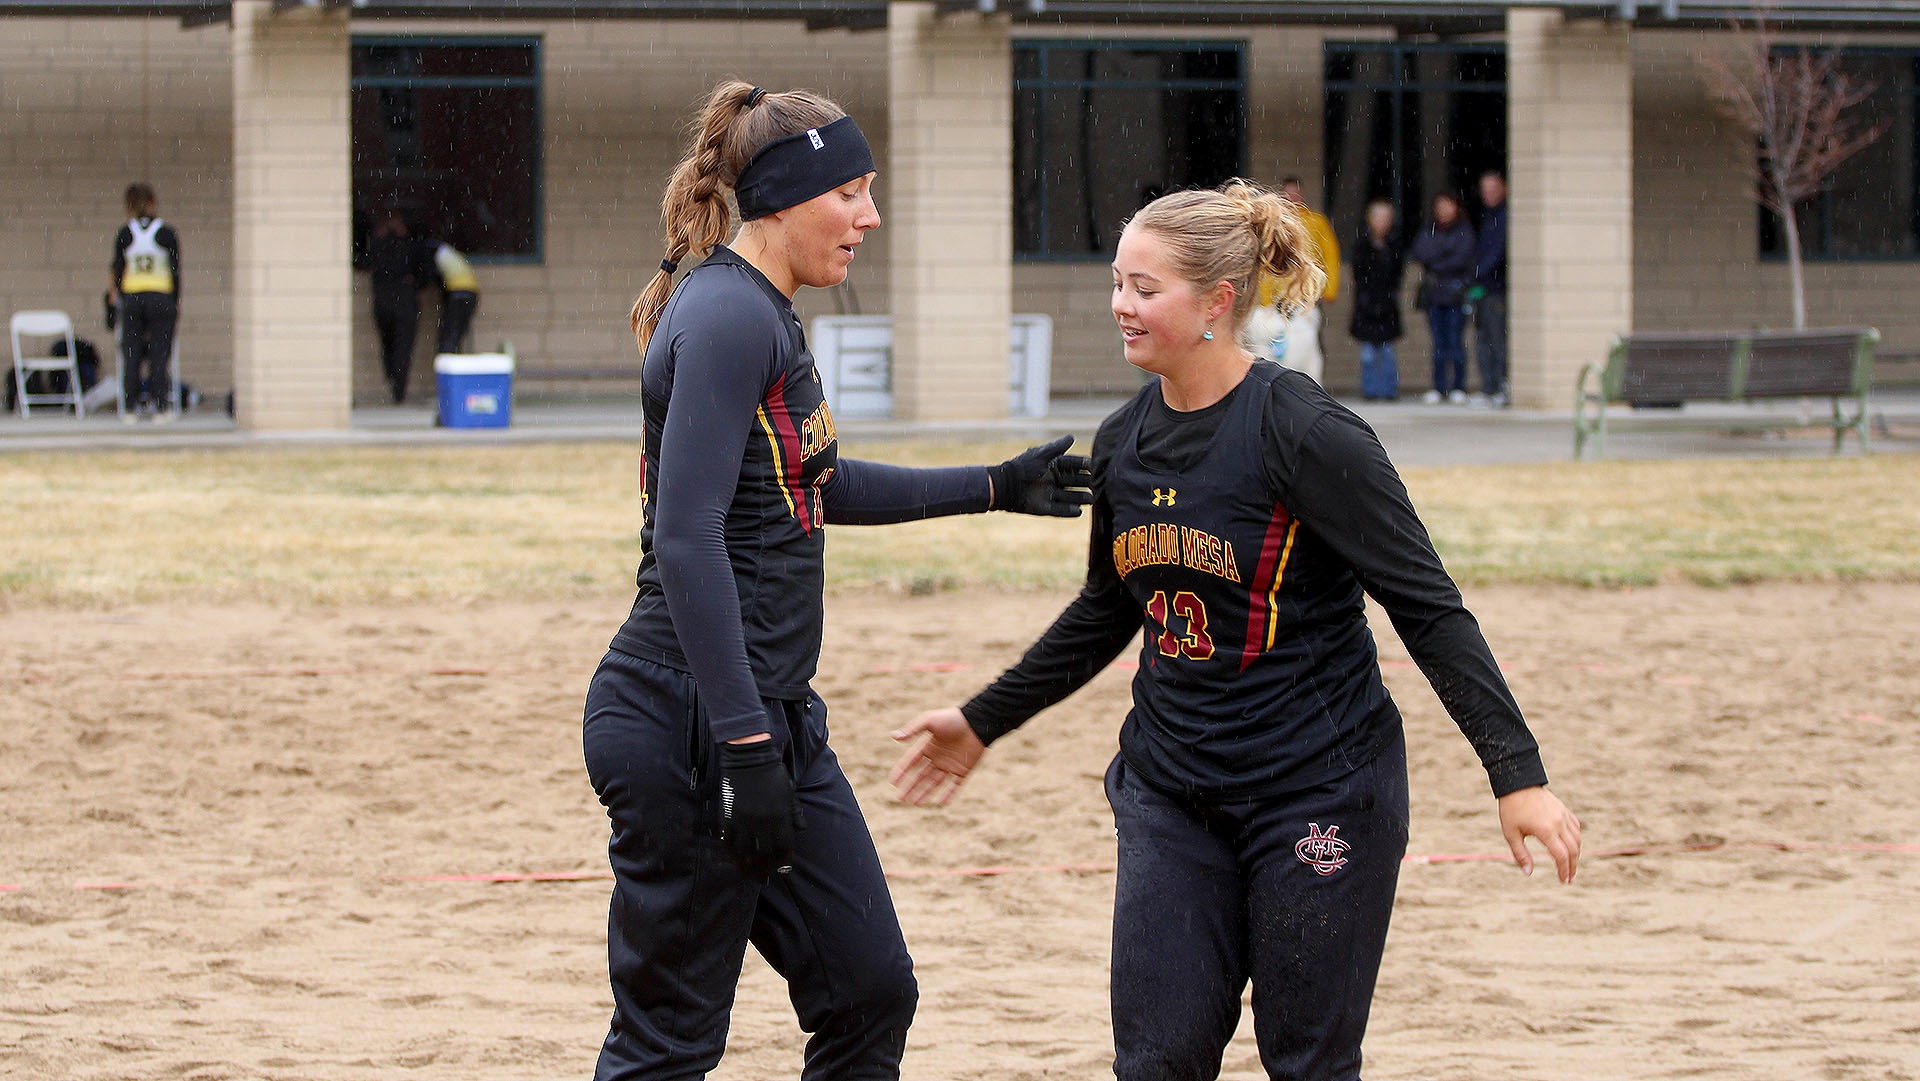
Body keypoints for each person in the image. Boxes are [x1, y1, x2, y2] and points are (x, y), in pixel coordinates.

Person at [890, 179, 1581, 1081]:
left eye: (1146, 288)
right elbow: (1109, 606)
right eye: (1117, 281)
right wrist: (984, 717)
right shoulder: (1123, 440)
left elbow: (1429, 607)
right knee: (1158, 1060)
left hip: (1318, 788)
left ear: (1218, 302)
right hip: (1172, 793)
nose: (1120, 306)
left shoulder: (1307, 433)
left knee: (1307, 1061)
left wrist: (1516, 775)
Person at [580, 80, 1094, 1081]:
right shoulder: (729, 316)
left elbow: (813, 484)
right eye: (851, 192)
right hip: (690, 720)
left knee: (868, 989)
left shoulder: (763, 311)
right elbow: (685, 538)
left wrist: (995, 485)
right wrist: (741, 744)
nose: (870, 215)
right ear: (782, 195)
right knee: (668, 1043)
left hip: (765, 715)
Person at [108, 182, 181, 422]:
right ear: (152, 202)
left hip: (133, 298)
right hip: (160, 297)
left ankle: (130, 407)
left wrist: (114, 299)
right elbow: (175, 271)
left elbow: (117, 269)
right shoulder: (166, 232)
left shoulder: (125, 232)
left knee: (132, 353)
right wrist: (175, 302)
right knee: (159, 354)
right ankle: (160, 406)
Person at [1269, 175, 1339, 385]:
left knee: (1309, 339)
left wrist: (1330, 289)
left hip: (1307, 293)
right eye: (1287, 193)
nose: (1292, 197)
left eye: (1295, 192)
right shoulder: (1274, 222)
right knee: (1277, 341)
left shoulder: (1316, 222)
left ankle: (1311, 383)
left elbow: (1330, 256)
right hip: (1277, 295)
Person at [1408, 190, 1476, 405]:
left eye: (1448, 205)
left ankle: (1458, 386)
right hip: (1434, 295)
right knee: (1437, 344)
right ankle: (1439, 386)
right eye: (1440, 206)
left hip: (1455, 294)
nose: (1444, 211)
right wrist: (1444, 256)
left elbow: (1462, 258)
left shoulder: (1464, 231)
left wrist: (1438, 260)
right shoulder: (1429, 229)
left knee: (1455, 342)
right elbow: (1421, 252)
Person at [1348, 198, 1405, 401]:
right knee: (1368, 354)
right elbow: (1358, 274)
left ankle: (1389, 390)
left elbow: (1398, 274)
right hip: (1366, 304)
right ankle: (1370, 391)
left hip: (1387, 304)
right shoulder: (1362, 245)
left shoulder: (1394, 245)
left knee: (1388, 352)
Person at [366, 208, 423, 403]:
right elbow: (423, 269)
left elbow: (363, 261)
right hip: (404, 302)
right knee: (402, 347)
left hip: (383, 301)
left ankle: (393, 379)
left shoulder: (378, 245)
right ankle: (398, 389)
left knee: (388, 345)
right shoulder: (409, 246)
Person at [1470, 169, 1510, 407]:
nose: (1488, 195)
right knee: (1483, 340)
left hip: (1496, 289)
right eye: (1485, 191)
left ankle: (1499, 386)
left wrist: (1477, 274)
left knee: (1497, 340)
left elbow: (1496, 254)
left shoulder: (1504, 217)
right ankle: (1488, 387)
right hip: (1483, 289)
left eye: (1493, 190)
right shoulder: (1488, 216)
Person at [429, 238, 480, 355]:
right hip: (471, 293)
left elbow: (434, 276)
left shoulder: (434, 252)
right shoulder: (448, 252)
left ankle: (447, 360)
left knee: (449, 333)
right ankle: (455, 358)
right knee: (458, 333)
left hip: (457, 292)